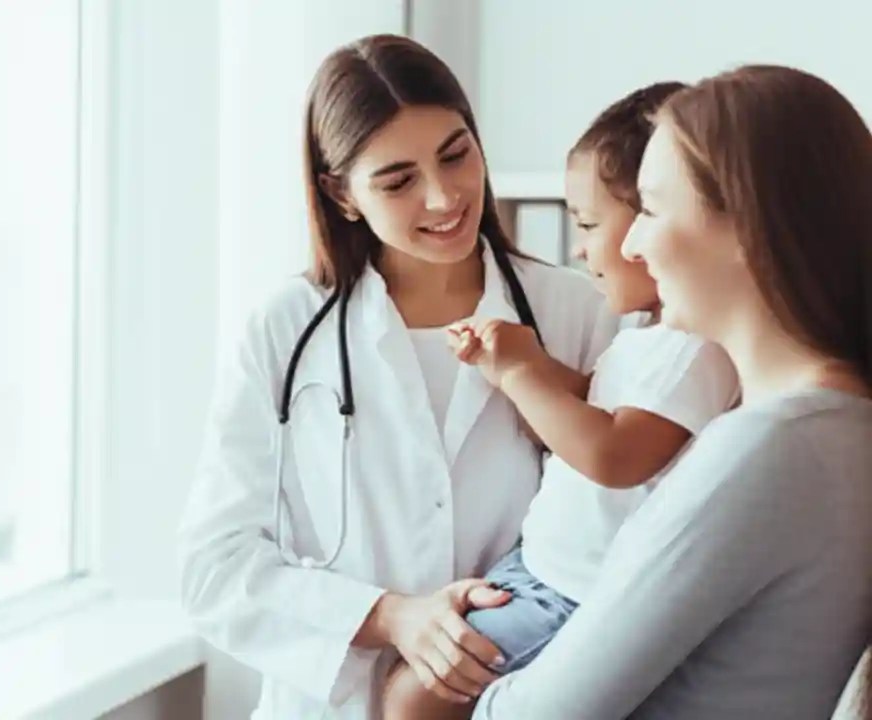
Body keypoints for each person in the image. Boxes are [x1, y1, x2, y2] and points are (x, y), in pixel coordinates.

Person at [177, 34, 618, 718]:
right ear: (341, 193)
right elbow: (214, 569)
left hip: (524, 696)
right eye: (398, 180)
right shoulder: (285, 330)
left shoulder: (576, 312)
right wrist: (391, 618)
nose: (444, 197)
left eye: (456, 155)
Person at [470, 64, 872, 719]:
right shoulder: (834, 429)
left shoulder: (768, 452)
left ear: (747, 227)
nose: (632, 241)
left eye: (651, 208)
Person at [382, 81, 741, 719]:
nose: (580, 248)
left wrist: (524, 375)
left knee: (414, 700)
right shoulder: (647, 339)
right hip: (537, 567)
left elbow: (614, 454)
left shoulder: (695, 352)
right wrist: (523, 362)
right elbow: (600, 410)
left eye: (588, 225)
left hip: (578, 597)